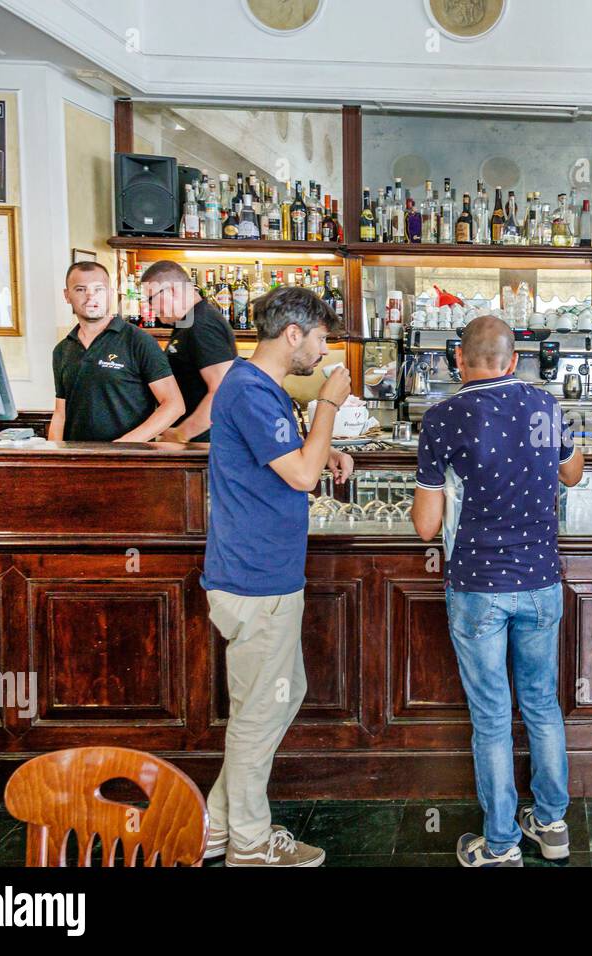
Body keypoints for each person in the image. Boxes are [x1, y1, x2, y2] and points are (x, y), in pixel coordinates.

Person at [411, 315, 584, 868]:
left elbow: (423, 524)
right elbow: (573, 474)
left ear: (459, 360)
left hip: (478, 586)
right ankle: (553, 824)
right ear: (514, 361)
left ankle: (503, 843)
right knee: (541, 703)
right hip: (540, 583)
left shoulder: (441, 418)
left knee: (490, 715)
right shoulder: (546, 407)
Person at [200, 285, 353, 867]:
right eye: (319, 338)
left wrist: (323, 447)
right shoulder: (253, 391)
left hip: (263, 575)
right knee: (260, 713)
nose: (321, 351)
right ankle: (250, 843)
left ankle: (217, 826)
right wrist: (329, 407)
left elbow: (296, 462)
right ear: (293, 334)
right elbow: (301, 476)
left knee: (278, 700)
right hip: (255, 580)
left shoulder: (256, 388)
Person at [49, 261, 184, 442]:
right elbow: (60, 414)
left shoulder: (138, 341)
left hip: (129, 462)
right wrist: (53, 457)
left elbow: (174, 405)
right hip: (78, 462)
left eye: (99, 289)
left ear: (111, 294)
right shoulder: (62, 350)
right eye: (80, 289)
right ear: (67, 295)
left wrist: (123, 447)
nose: (90, 297)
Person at [140, 260, 237, 442]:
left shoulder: (202, 324)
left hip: (207, 447)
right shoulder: (188, 322)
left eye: (151, 298)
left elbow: (224, 391)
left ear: (173, 290)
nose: (149, 307)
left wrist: (181, 434)